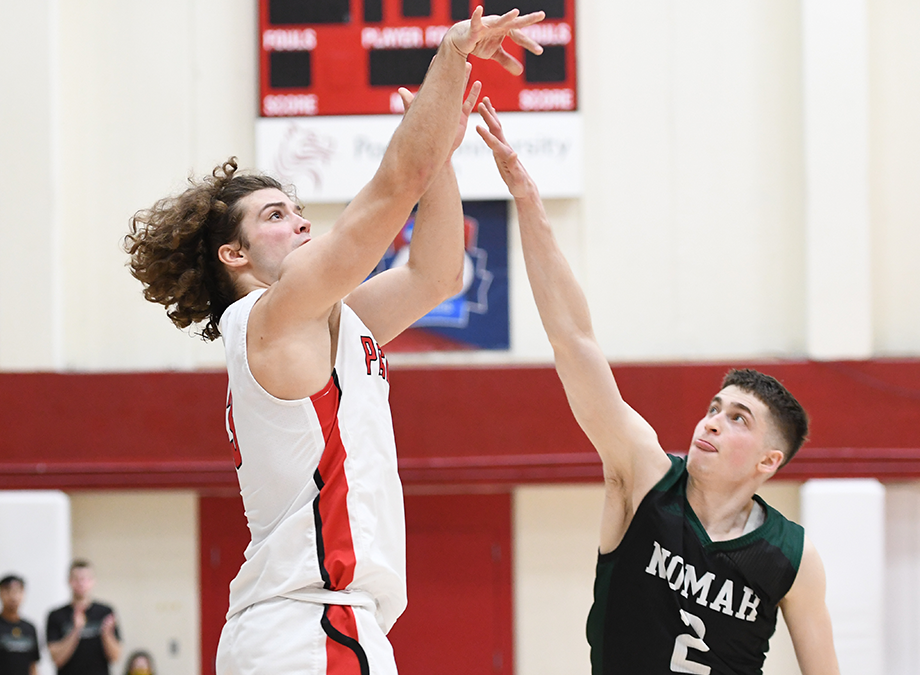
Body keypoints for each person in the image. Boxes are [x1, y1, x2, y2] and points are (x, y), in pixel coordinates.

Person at [126, 8, 545, 674]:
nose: (298, 222)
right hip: (307, 626)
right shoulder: (271, 315)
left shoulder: (322, 316)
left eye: (295, 208)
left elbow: (437, 274)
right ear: (233, 254)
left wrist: (439, 159)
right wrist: (450, 57)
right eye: (274, 215)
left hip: (324, 623)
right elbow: (391, 188)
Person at [474, 98, 842, 673]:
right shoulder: (644, 473)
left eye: (738, 418)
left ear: (769, 462)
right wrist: (527, 198)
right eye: (715, 408)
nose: (713, 421)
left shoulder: (792, 556)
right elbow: (575, 341)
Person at [46, 560, 123, 675]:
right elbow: (57, 659)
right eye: (77, 579)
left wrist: (107, 634)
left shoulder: (105, 612)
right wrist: (75, 631)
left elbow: (116, 657)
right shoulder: (56, 615)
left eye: (85, 579)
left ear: (93, 581)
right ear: (69, 581)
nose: (81, 583)